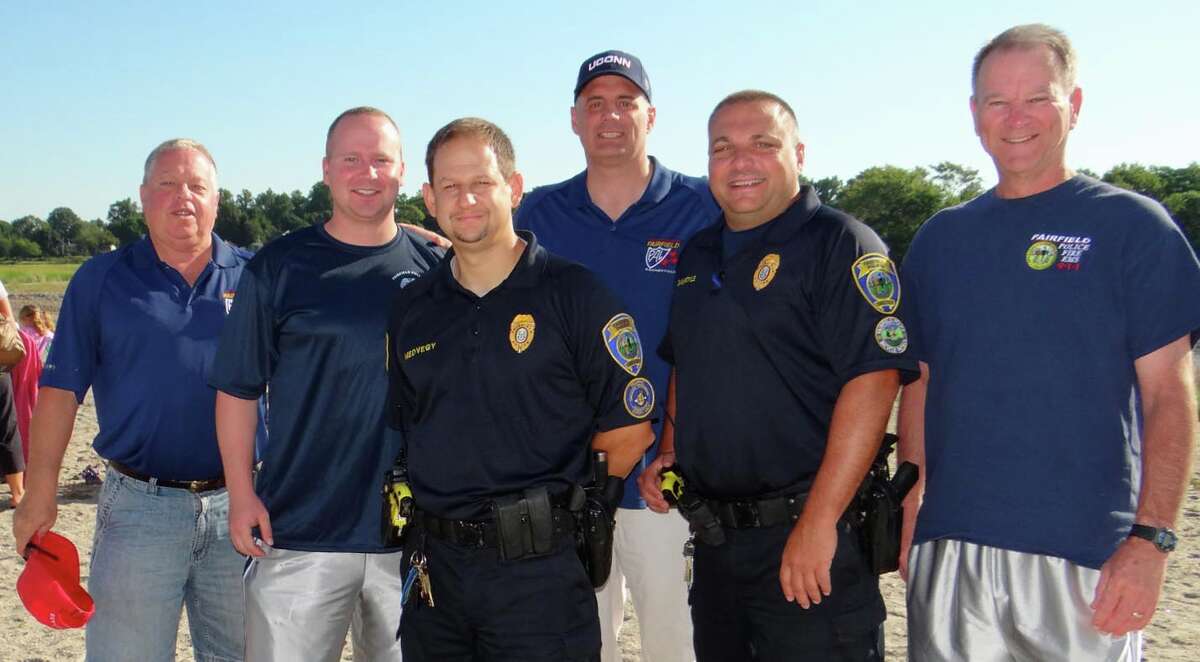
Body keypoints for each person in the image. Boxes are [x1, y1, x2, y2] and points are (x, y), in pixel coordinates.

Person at [897, 23, 1200, 662]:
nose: (1017, 118)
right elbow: (922, 380)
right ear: (974, 114)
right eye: (998, 101)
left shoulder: (1132, 226)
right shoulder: (940, 239)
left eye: (1038, 98)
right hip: (953, 546)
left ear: (1075, 104)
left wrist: (1152, 540)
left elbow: (1169, 397)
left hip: (1086, 555)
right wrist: (910, 500)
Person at [638, 91, 916, 661]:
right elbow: (686, 361)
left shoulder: (840, 243)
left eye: (762, 144)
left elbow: (875, 381)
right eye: (722, 148)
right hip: (716, 541)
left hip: (810, 535)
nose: (740, 161)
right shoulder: (698, 253)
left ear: (799, 154)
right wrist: (670, 451)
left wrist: (818, 523)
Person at [387, 117, 655, 661]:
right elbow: (410, 427)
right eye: (450, 186)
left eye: (481, 182)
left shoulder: (575, 295)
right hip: (436, 577)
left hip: (540, 577)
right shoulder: (413, 310)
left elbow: (630, 429)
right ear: (429, 199)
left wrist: (569, 514)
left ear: (513, 188)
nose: (466, 199)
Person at [210, 106, 442, 662]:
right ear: (326, 170)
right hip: (299, 529)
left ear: (403, 170)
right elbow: (238, 390)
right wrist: (241, 493)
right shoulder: (279, 266)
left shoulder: (436, 270)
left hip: (411, 539)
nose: (368, 173)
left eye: (381, 159)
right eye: (351, 159)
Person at [12, 138, 253, 661]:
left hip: (241, 505)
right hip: (139, 509)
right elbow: (60, 391)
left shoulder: (257, 276)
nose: (183, 197)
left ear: (217, 200)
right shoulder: (101, 279)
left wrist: (409, 240)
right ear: (143, 196)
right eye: (167, 184)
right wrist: (40, 488)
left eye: (197, 186)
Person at [517, 50, 716, 662]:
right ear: (574, 119)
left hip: (667, 477)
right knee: (581, 643)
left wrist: (680, 446)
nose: (610, 116)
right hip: (568, 479)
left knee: (677, 644)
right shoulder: (536, 213)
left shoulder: (703, 205)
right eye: (595, 103)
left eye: (625, 102)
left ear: (650, 116)